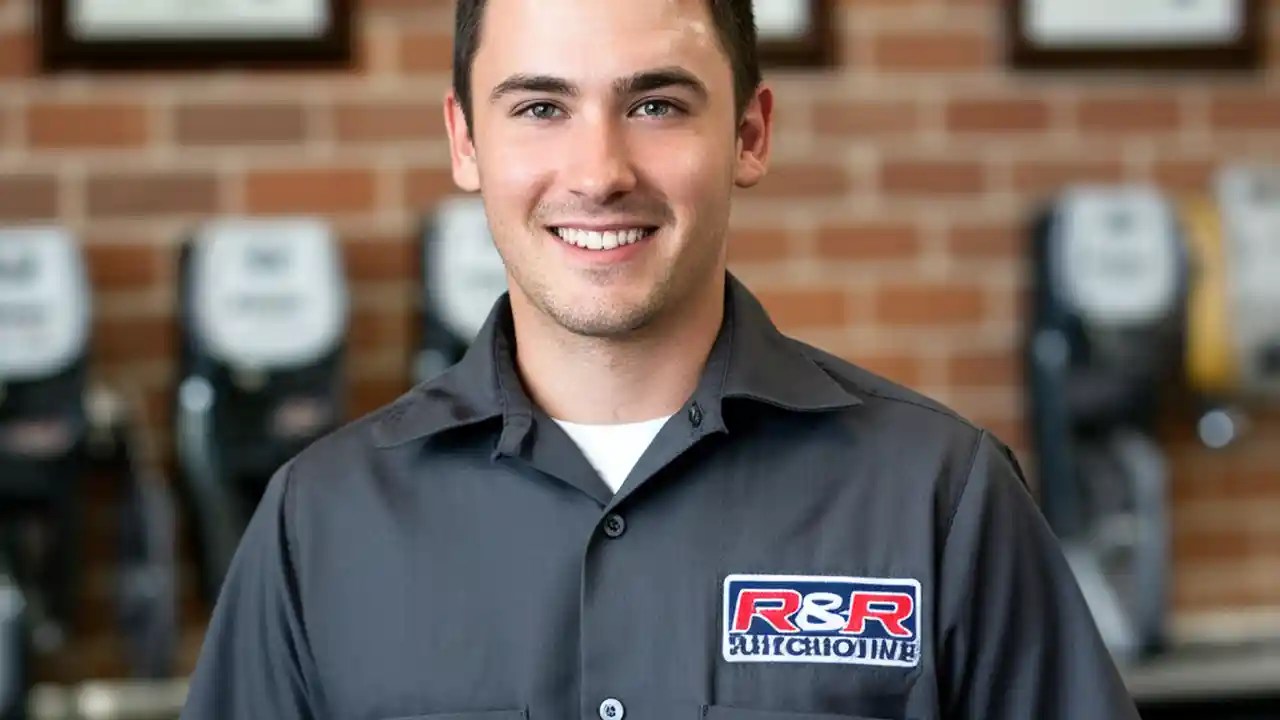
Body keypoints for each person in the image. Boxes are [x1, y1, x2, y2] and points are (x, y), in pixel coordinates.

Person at [180, 0, 1142, 718]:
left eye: (654, 104)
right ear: (465, 140)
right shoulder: (323, 523)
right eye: (540, 108)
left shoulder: (939, 496)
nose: (599, 173)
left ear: (750, 133)